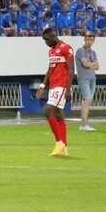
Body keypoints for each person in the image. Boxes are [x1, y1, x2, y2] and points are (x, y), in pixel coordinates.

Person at [36, 27, 74, 157]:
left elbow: (70, 69)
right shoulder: (51, 51)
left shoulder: (66, 48)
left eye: (47, 40)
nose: (46, 43)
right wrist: (42, 85)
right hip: (53, 85)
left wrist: (68, 88)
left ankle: (59, 143)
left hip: (62, 86)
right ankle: (64, 148)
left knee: (47, 111)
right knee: (58, 115)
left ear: (53, 36)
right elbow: (50, 70)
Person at [74, 31, 99, 131]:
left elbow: (97, 67)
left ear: (93, 41)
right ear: (84, 39)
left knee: (87, 102)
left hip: (93, 78)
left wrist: (91, 64)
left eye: (91, 40)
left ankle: (84, 124)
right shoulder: (80, 51)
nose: (89, 42)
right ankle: (84, 125)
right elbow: (85, 64)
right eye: (87, 39)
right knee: (87, 100)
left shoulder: (93, 52)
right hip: (83, 78)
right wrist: (92, 64)